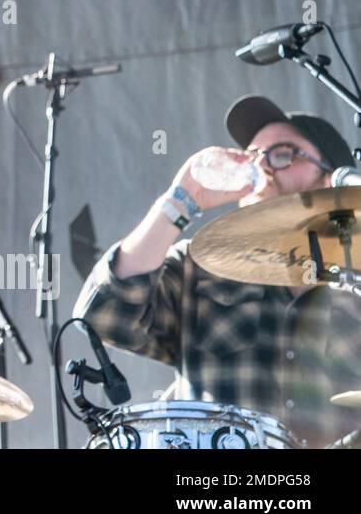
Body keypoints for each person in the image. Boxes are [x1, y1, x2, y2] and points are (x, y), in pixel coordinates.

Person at [74, 94, 361, 447]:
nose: (264, 168)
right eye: (253, 157)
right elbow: (105, 316)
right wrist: (180, 201)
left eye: (283, 154)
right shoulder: (201, 267)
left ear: (332, 180)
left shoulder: (355, 289)